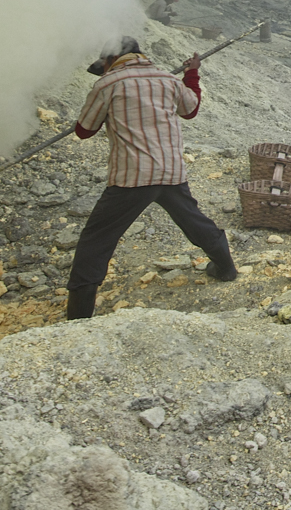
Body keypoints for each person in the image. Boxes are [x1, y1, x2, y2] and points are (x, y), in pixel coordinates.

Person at [63, 37, 238, 319]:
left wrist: (103, 114)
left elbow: (84, 130)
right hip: (170, 171)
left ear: (109, 60)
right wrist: (191, 73)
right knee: (193, 221)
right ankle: (226, 269)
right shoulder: (166, 79)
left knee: (96, 241)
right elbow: (190, 109)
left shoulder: (107, 84)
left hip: (132, 177)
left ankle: (78, 315)